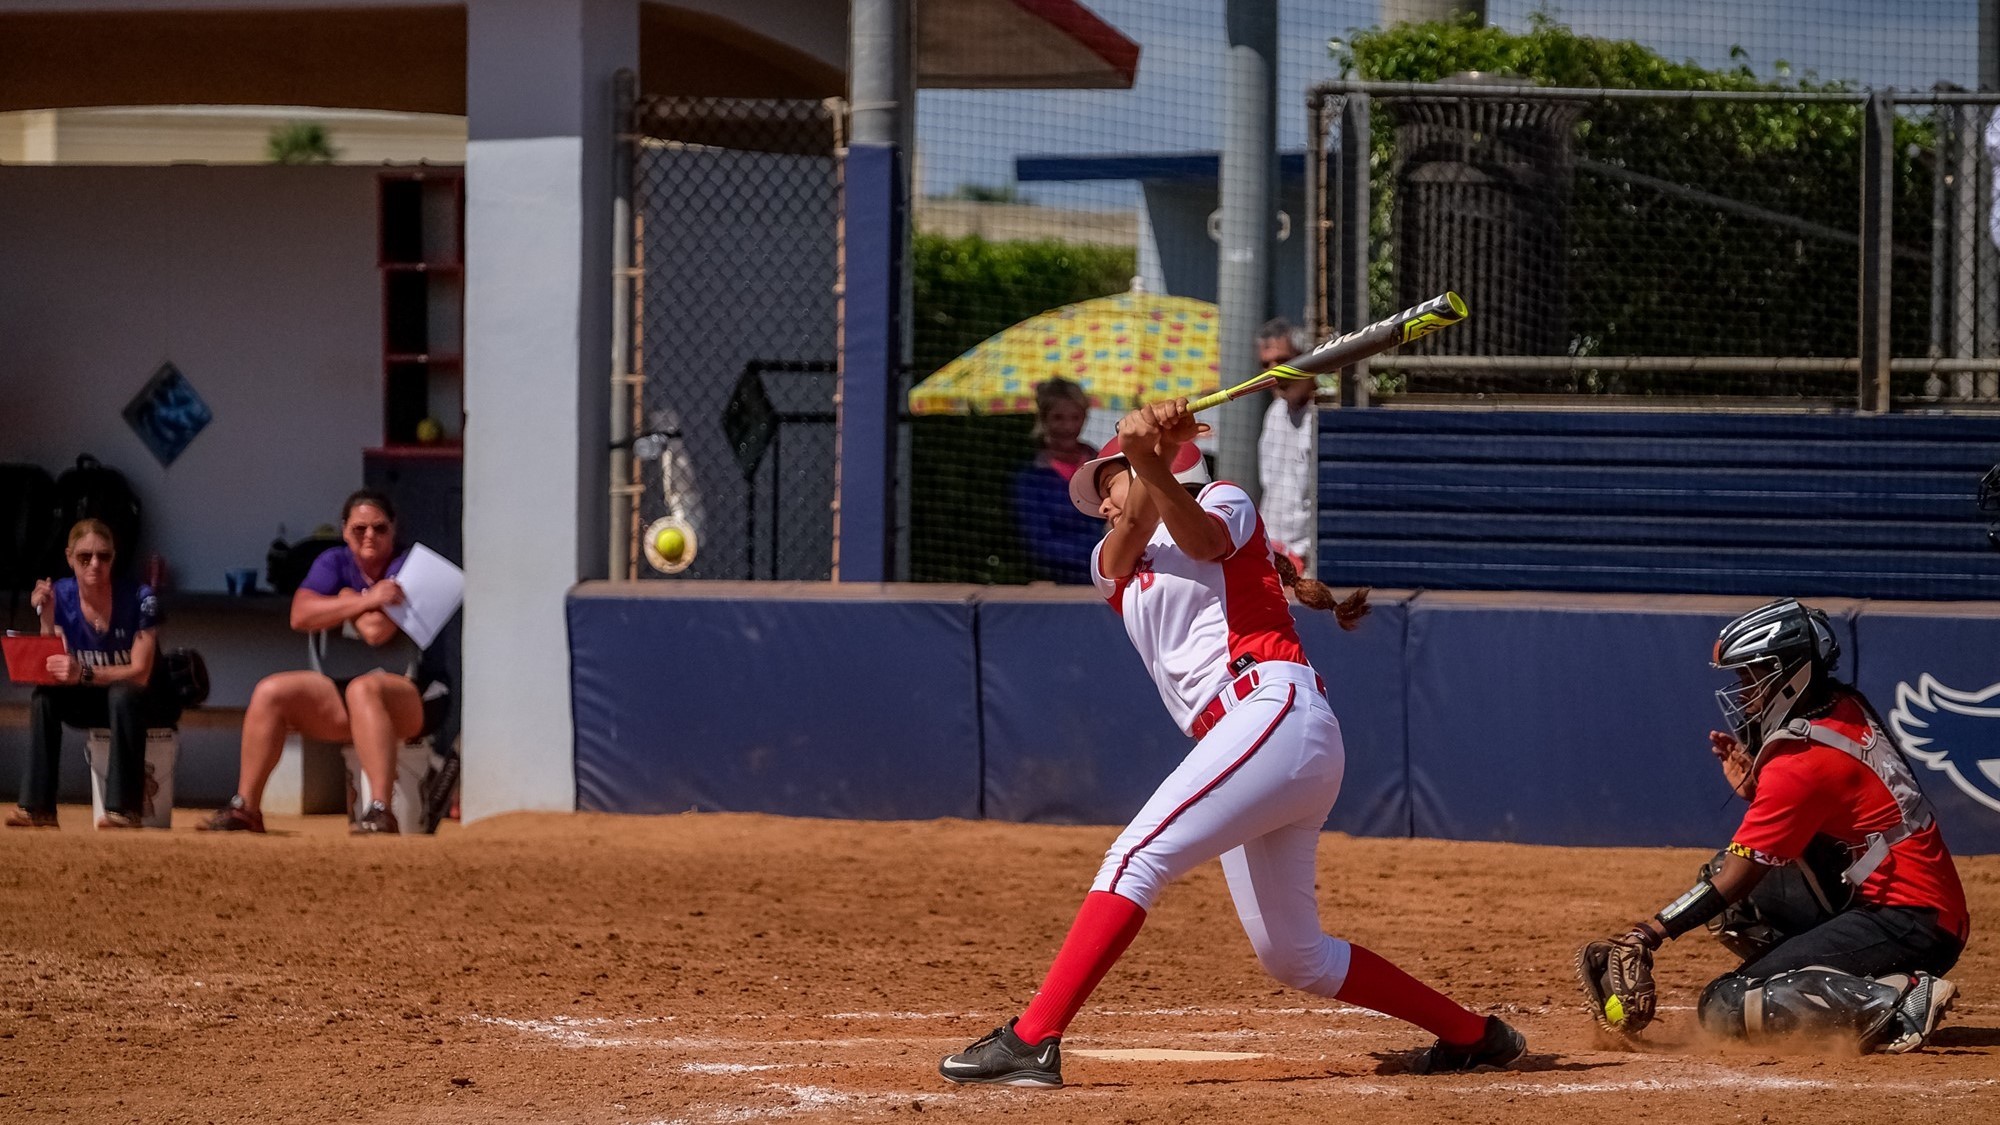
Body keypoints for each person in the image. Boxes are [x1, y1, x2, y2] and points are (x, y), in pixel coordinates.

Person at [940, 398, 1525, 1088]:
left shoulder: (1224, 498)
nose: (1102, 503)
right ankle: (1472, 1034)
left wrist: (1150, 458)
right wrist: (1144, 462)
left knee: (1134, 856)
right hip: (1255, 741)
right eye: (1098, 492)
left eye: (1109, 480)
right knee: (1294, 955)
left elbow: (1205, 543)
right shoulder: (1110, 562)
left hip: (1273, 710)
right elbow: (1133, 533)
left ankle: (1032, 1038)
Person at [1577, 598, 1968, 1054]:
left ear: (1792, 673)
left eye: (1751, 676)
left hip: (1911, 922)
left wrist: (1649, 934)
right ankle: (1839, 978)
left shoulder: (1801, 761)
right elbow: (1820, 812)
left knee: (1724, 1004)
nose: (1743, 691)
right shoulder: (1840, 705)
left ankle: (1898, 999)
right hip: (1909, 904)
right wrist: (1760, 791)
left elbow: (1742, 872)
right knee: (1735, 902)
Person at [201, 489, 447, 835]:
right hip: (344, 692)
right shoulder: (333, 562)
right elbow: (300, 615)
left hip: (417, 693)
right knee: (271, 691)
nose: (370, 537)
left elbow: (377, 632)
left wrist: (342, 599)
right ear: (345, 530)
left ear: (394, 529)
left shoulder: (408, 566)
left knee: (364, 689)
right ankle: (246, 806)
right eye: (359, 529)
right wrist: (365, 599)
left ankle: (380, 810)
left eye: (379, 528)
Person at [8, 520, 181, 829]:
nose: (95, 564)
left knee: (123, 693)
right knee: (45, 698)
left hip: (143, 704)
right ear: (69, 557)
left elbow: (140, 673)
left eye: (104, 556)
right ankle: (38, 807)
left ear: (114, 558)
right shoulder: (61, 594)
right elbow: (55, 666)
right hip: (92, 698)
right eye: (84, 557)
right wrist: (46, 620)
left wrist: (84, 673)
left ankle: (123, 810)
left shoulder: (140, 597)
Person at [1009, 377, 1104, 584]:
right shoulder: (1031, 479)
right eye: (1058, 418)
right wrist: (1104, 550)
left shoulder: (1104, 466)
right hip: (1058, 586)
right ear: (1043, 419)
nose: (1068, 426)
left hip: (1111, 581)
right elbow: (1040, 544)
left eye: (1075, 417)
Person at [1255, 318, 1316, 571]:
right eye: (1265, 364)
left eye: (1282, 361)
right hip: (1273, 553)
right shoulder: (1275, 413)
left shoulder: (1319, 416)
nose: (1273, 372)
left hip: (1310, 560)